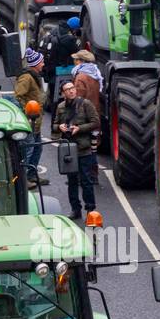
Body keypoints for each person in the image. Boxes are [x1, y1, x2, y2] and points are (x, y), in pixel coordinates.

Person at [54, 80, 99, 220]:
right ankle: (75, 209)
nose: (71, 91)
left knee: (86, 181)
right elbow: (55, 124)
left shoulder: (85, 104)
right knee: (71, 182)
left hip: (83, 149)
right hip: (68, 149)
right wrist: (59, 127)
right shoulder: (60, 107)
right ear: (63, 93)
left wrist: (80, 128)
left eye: (72, 88)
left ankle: (90, 210)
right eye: (67, 89)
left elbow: (95, 122)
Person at [14, 49, 46, 184]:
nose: (43, 64)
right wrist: (25, 112)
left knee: (37, 148)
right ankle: (23, 180)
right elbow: (18, 95)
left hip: (36, 122)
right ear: (36, 64)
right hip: (29, 121)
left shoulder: (35, 76)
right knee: (28, 150)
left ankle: (32, 175)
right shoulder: (27, 78)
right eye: (42, 62)